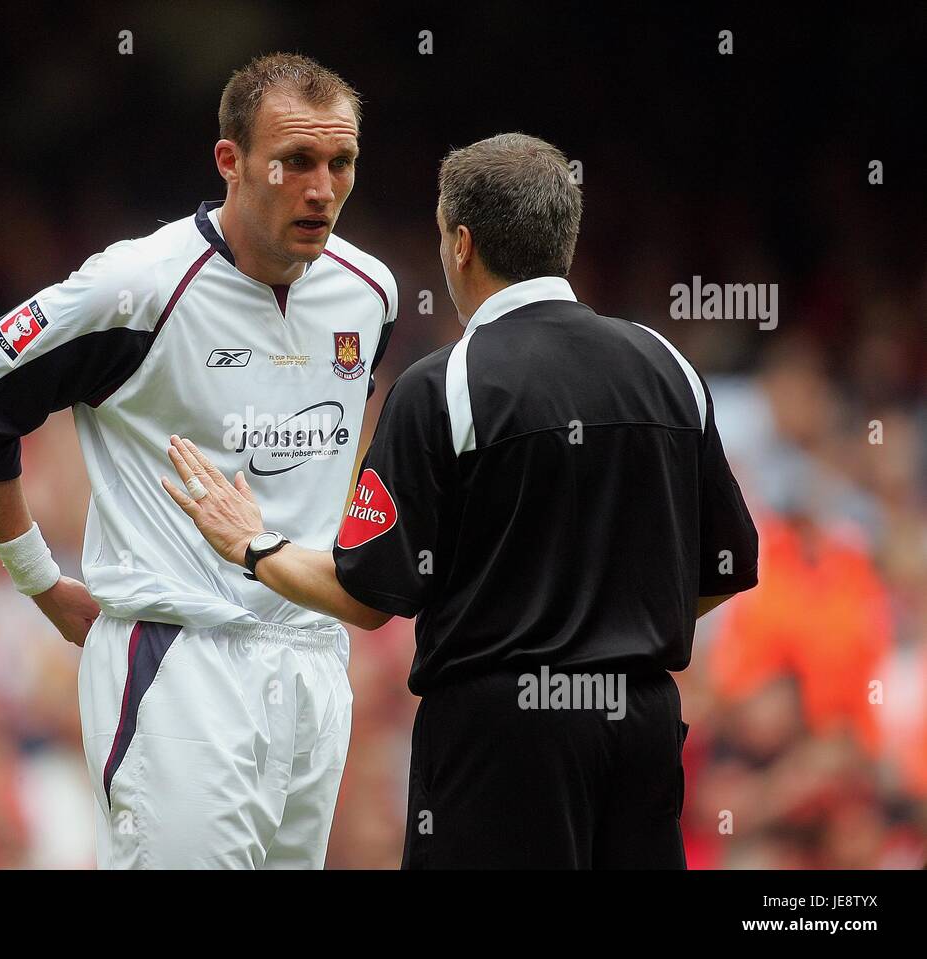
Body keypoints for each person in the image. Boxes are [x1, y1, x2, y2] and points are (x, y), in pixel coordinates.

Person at [163, 133, 760, 868]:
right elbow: (723, 565)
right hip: (640, 720)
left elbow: (366, 593)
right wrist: (611, 632)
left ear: (463, 243)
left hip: (501, 738)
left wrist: (253, 546)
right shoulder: (668, 365)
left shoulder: (444, 383)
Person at [0, 53, 397, 869]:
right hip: (181, 659)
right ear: (231, 160)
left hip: (316, 663)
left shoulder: (370, 292)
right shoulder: (136, 286)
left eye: (340, 162)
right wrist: (37, 576)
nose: (321, 189)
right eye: (294, 162)